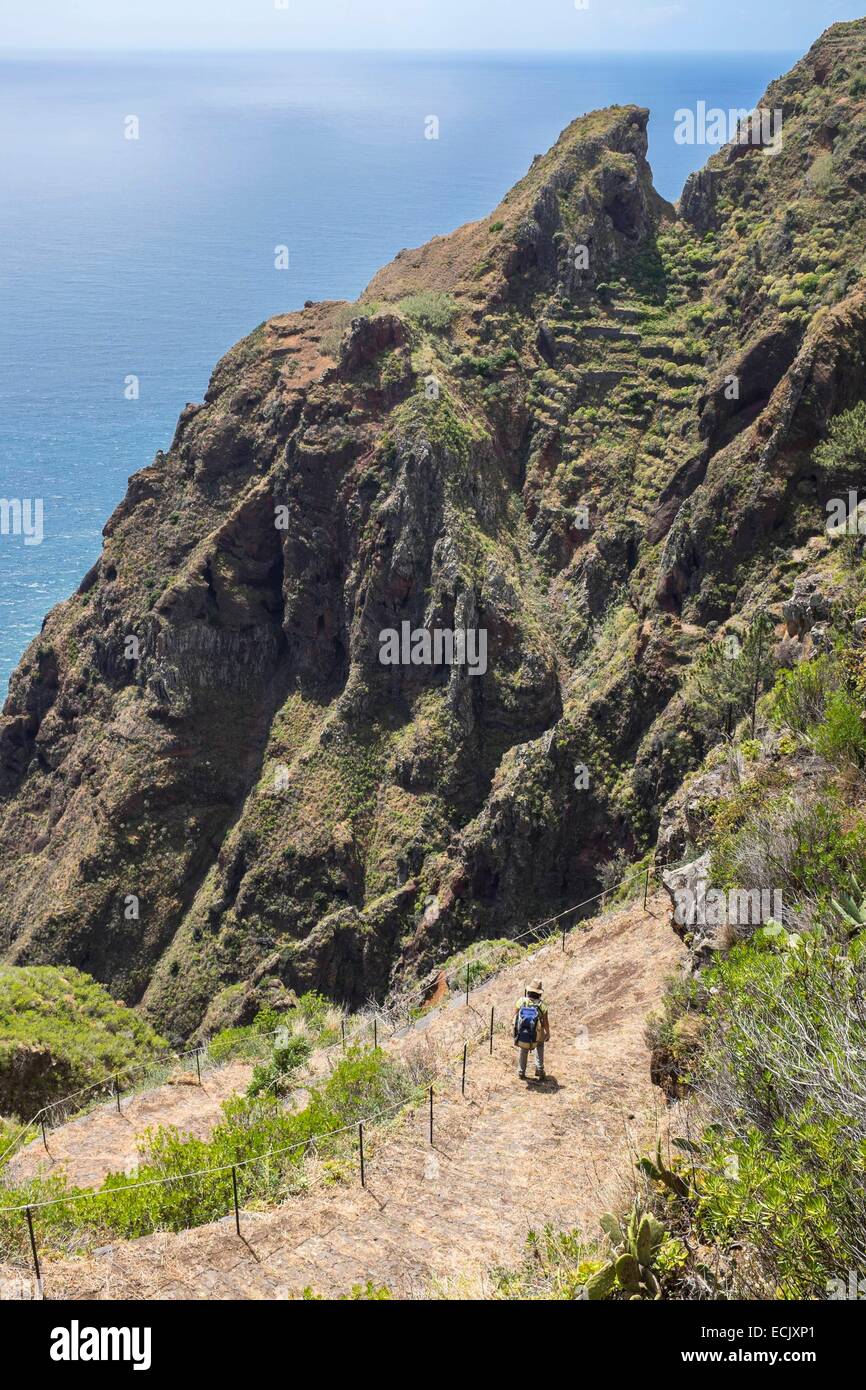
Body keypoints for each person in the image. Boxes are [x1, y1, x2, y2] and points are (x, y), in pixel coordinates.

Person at [513, 979, 550, 1081]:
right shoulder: (543, 1005)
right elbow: (545, 1022)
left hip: (524, 1031)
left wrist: (515, 1031)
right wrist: (547, 1033)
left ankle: (521, 1072)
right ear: (539, 993)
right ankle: (539, 1070)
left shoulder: (521, 1001)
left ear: (528, 991)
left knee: (523, 1049)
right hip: (538, 1032)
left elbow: (515, 1017)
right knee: (540, 1046)